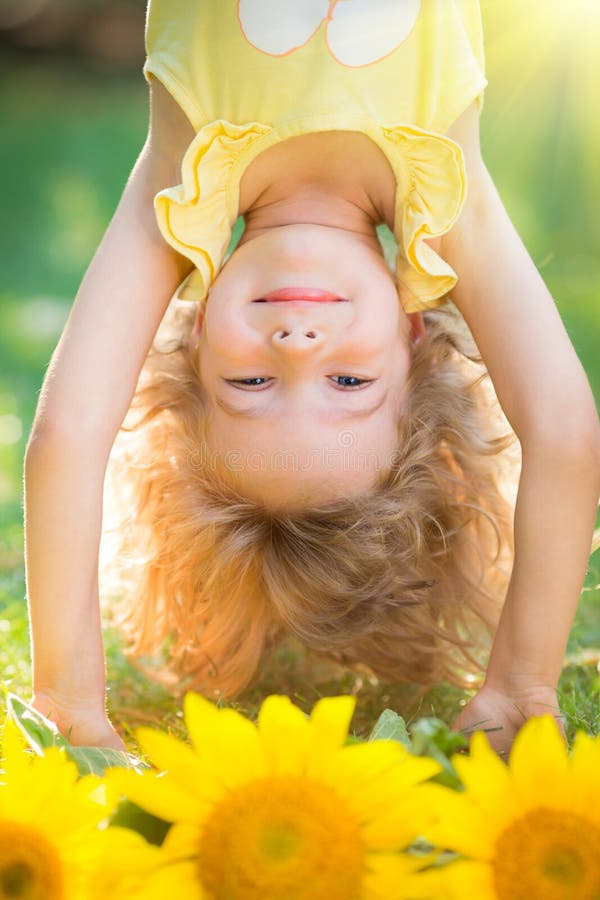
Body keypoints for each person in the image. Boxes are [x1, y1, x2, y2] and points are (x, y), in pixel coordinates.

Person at [24, 0, 600, 754]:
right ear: (412, 333)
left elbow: (68, 434)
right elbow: (566, 435)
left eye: (251, 385)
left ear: (196, 341)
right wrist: (520, 683)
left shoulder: (177, 185)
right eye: (349, 385)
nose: (297, 345)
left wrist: (66, 694)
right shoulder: (451, 196)